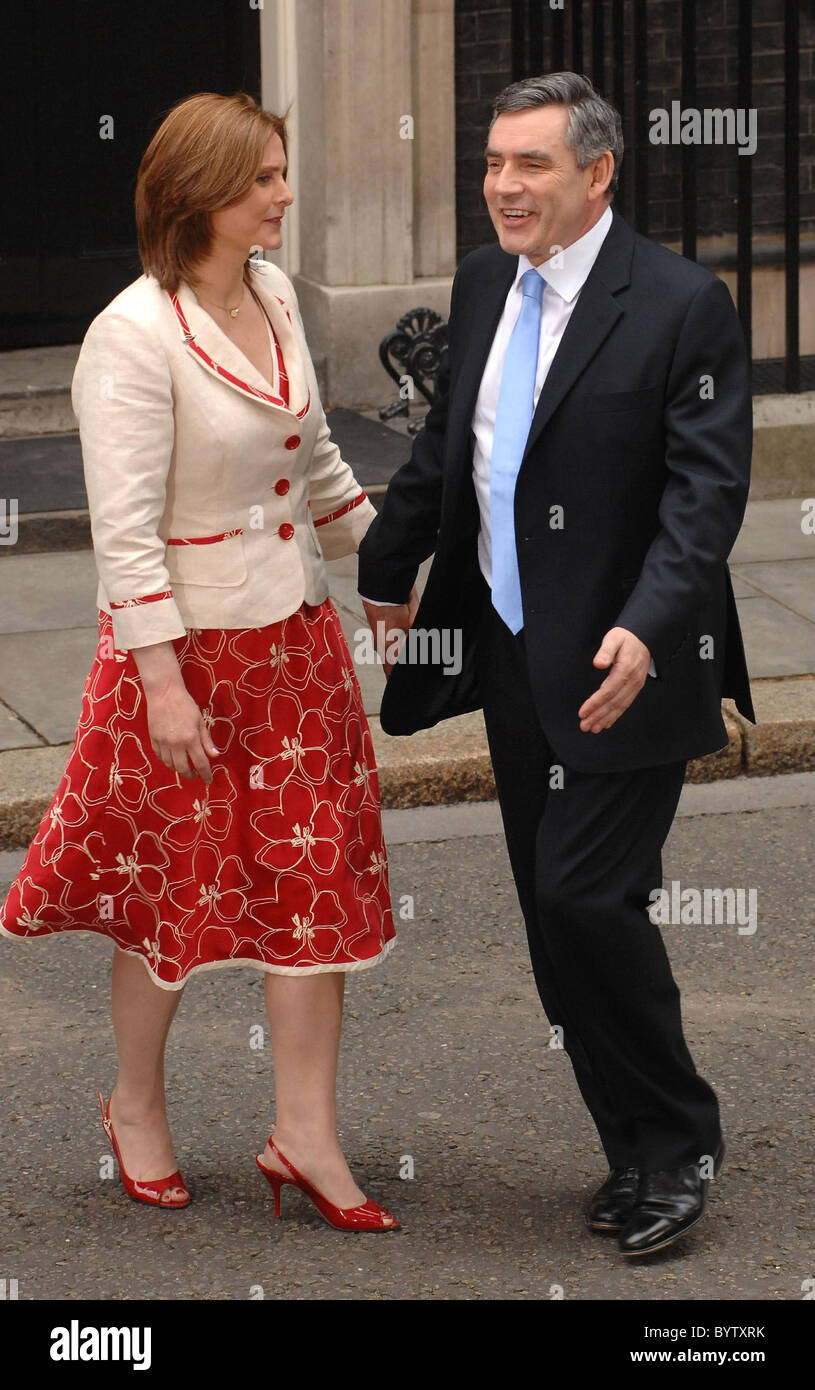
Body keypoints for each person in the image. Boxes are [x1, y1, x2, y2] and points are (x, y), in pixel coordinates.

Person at [358, 71, 754, 1257]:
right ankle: (627, 1144)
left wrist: (647, 620)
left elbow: (705, 491)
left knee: (589, 894)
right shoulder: (485, 284)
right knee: (550, 912)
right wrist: (388, 569)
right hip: (513, 653)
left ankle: (677, 1139)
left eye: (529, 164)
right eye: (490, 162)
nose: (501, 186)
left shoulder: (681, 302)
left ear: (597, 172)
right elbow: (448, 446)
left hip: (626, 659)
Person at [0, 91, 399, 1232]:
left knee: (313, 887)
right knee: (173, 897)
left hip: (295, 649)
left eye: (282, 172)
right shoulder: (129, 335)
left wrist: (387, 567)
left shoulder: (272, 294)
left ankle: (305, 1133)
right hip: (184, 665)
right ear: (201, 196)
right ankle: (133, 1104)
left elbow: (316, 461)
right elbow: (123, 535)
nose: (284, 194)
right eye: (265, 178)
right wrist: (163, 685)